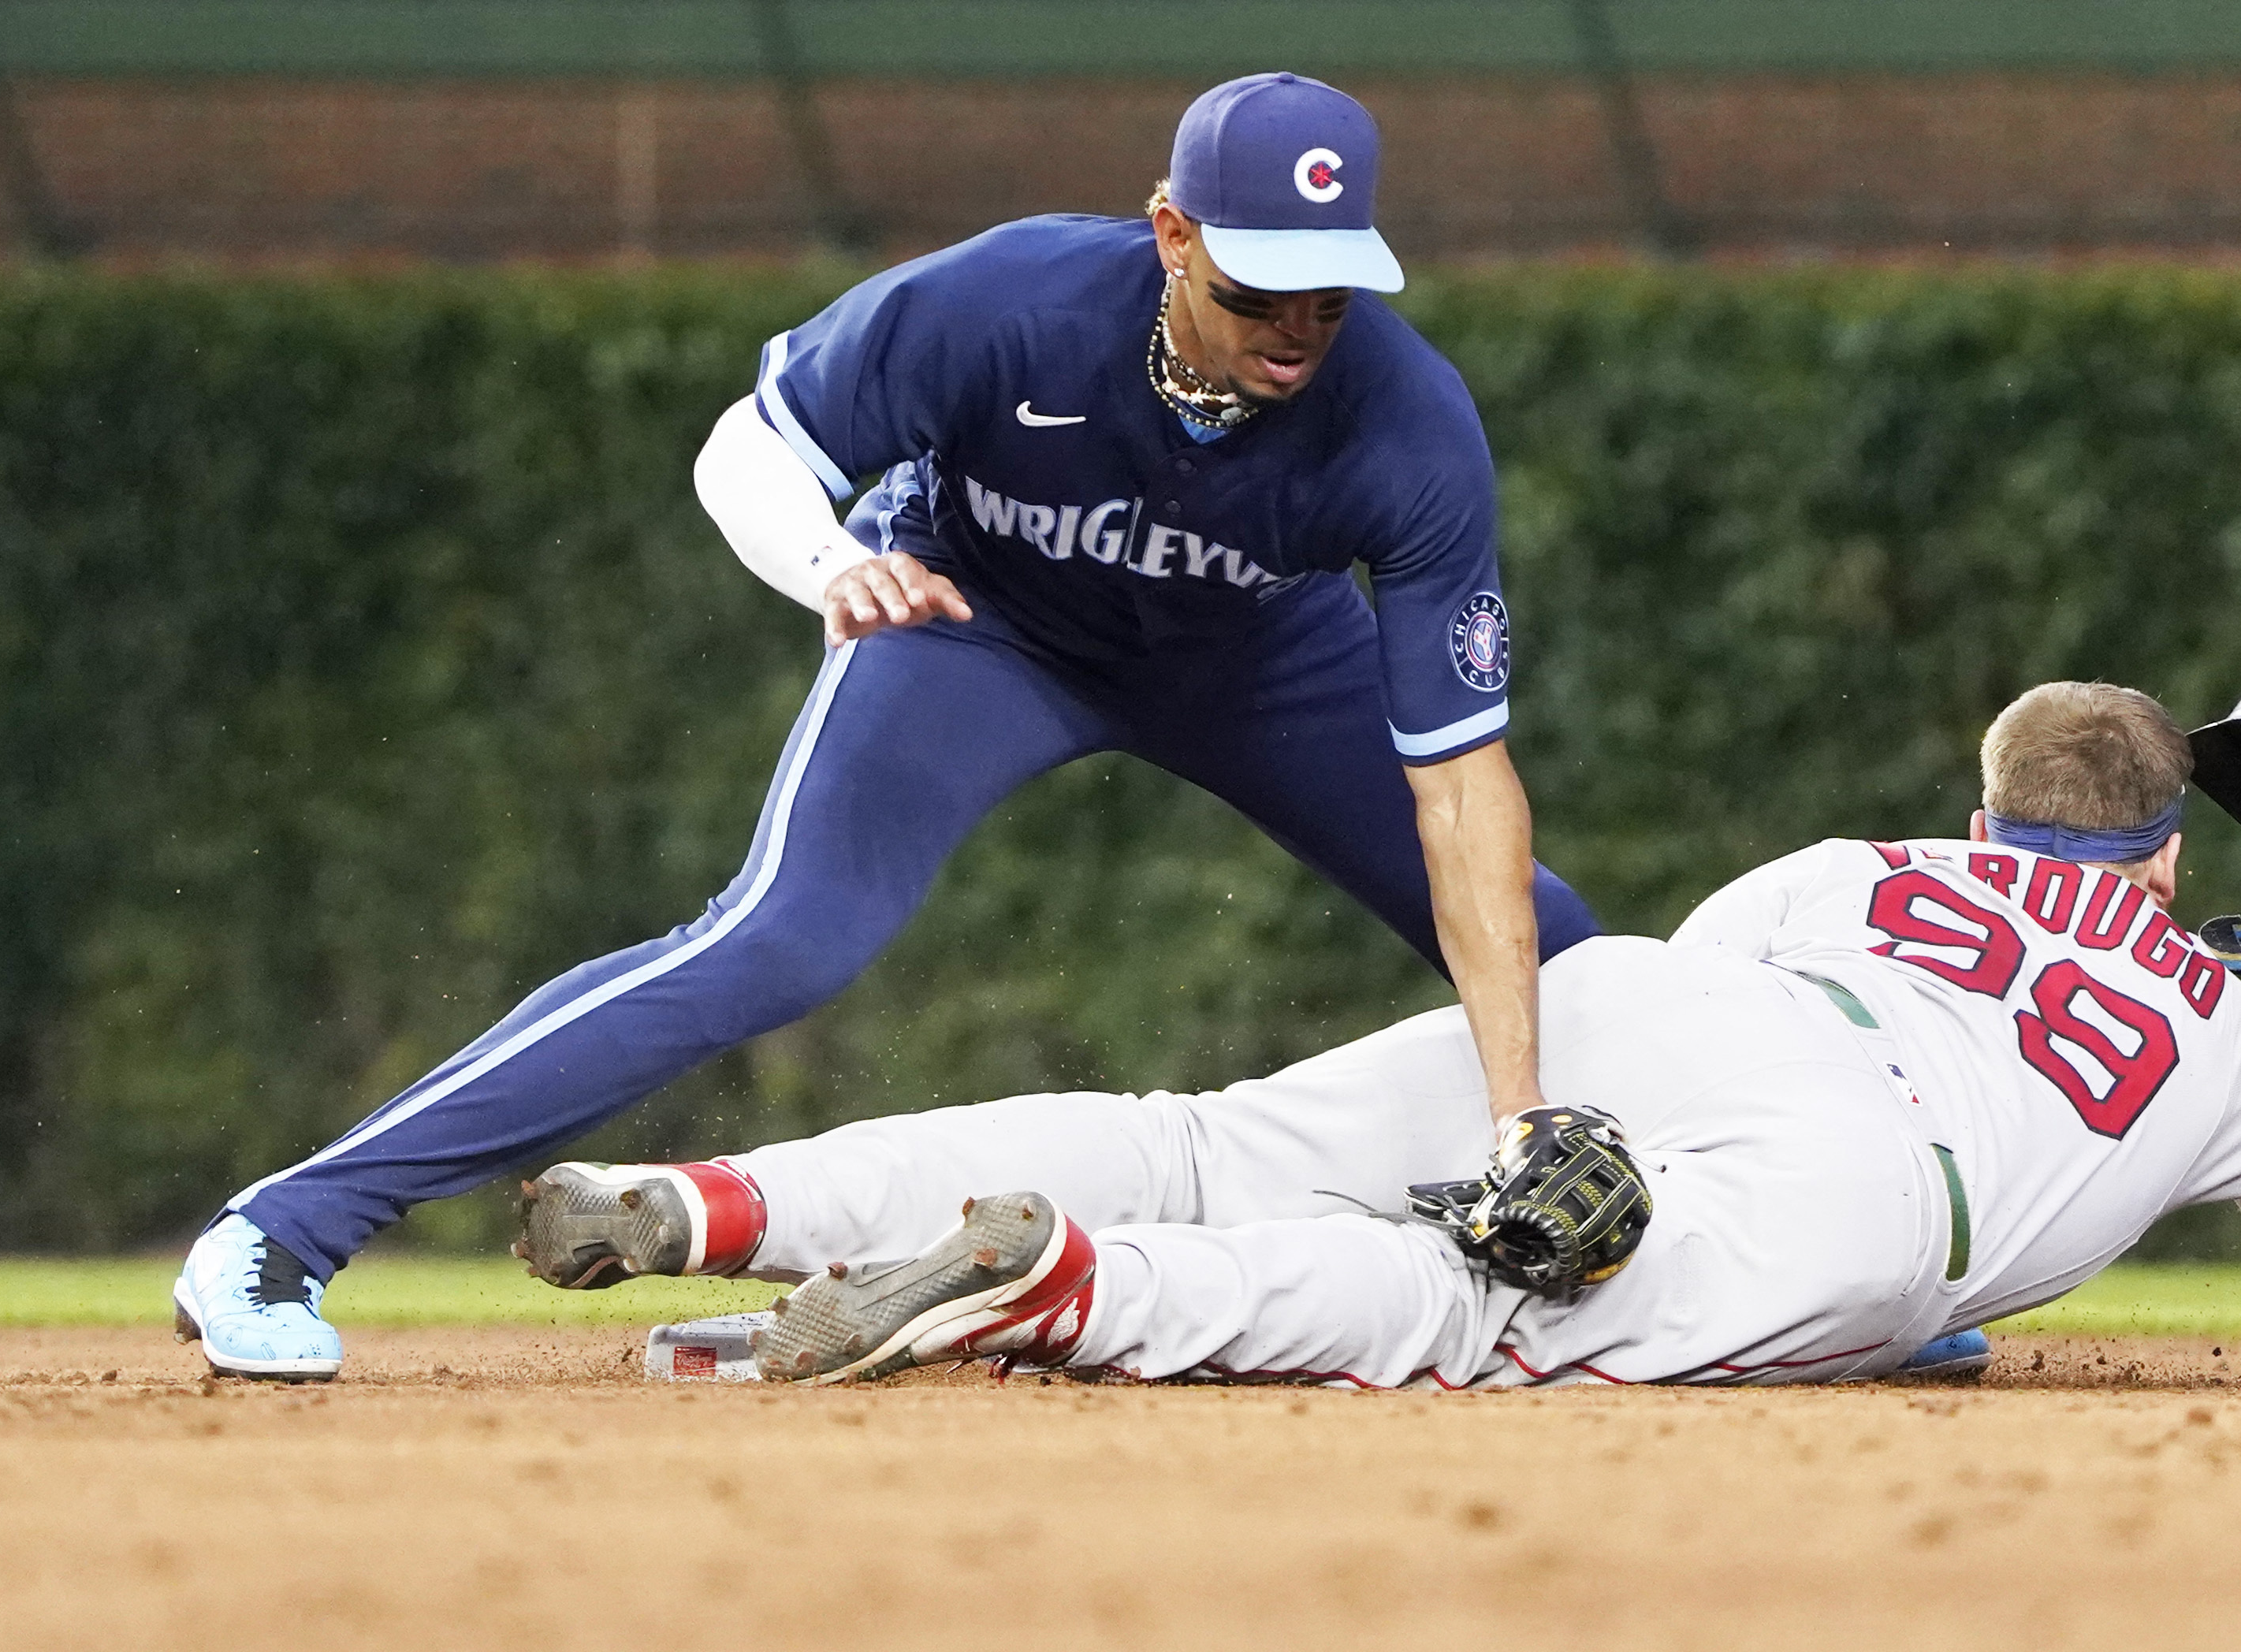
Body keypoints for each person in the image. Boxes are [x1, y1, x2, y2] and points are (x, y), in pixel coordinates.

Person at [173, 72, 1605, 1381]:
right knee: (779, 939)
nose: (1295, 330)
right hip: (972, 624)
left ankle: (1676, 1232)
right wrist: (828, 565)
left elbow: (1462, 789)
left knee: (1570, 959)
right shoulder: (1011, 302)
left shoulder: (1407, 425)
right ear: (1170, 232)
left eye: (1328, 299)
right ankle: (277, 1233)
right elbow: (748, 445)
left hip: (1257, 659)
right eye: (1258, 291)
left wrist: (1525, 1109)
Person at [537, 662, 2241, 1391]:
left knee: (1210, 1131)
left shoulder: (1860, 864)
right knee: (1476, 1308)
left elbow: (1674, 1032)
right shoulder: (2218, 1021)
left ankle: (708, 1196)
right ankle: (1066, 1290)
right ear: (2157, 850)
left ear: (1987, 819)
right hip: (1862, 1199)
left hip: (1689, 998)